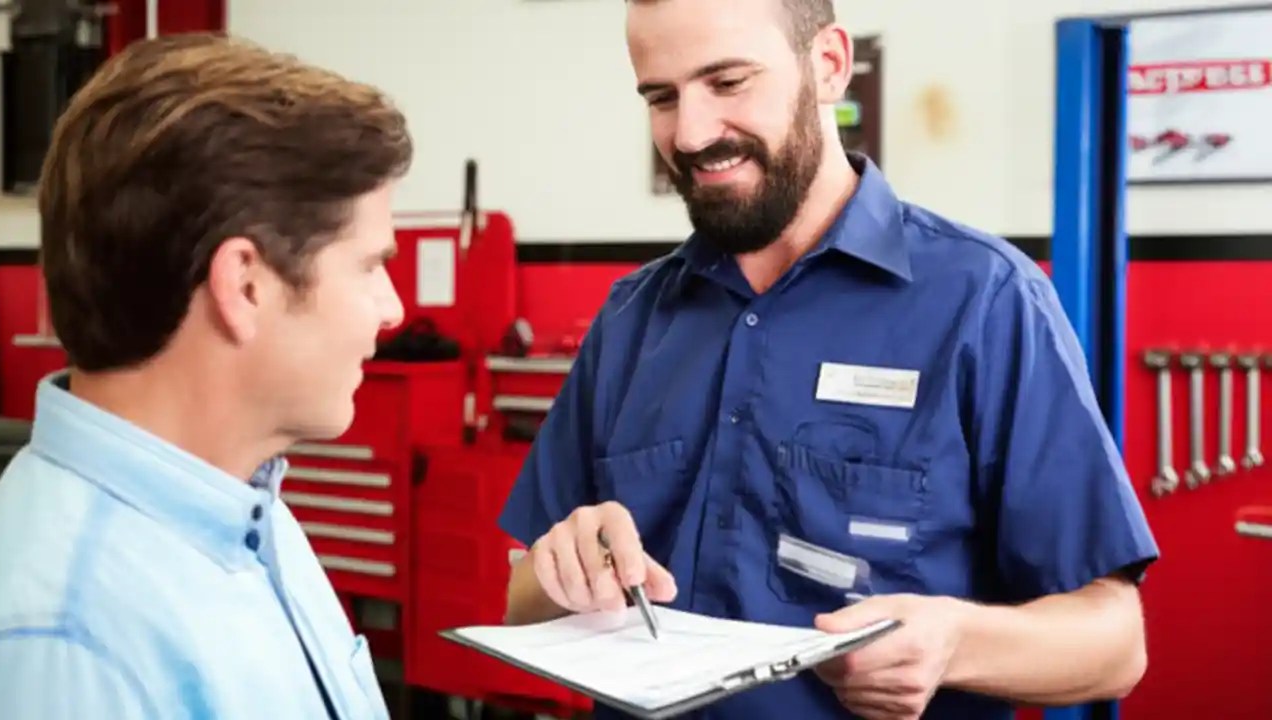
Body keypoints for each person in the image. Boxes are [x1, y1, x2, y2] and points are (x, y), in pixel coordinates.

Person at [497, 0, 1160, 719]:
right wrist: (562, 569)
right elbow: (522, 600)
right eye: (661, 96)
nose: (688, 133)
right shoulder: (632, 318)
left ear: (829, 67)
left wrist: (955, 643)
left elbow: (1115, 643)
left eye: (727, 83)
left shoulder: (984, 301)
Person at [0, 33, 409, 719]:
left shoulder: (245, 511)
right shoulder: (71, 650)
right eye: (368, 265)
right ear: (244, 285)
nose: (392, 309)